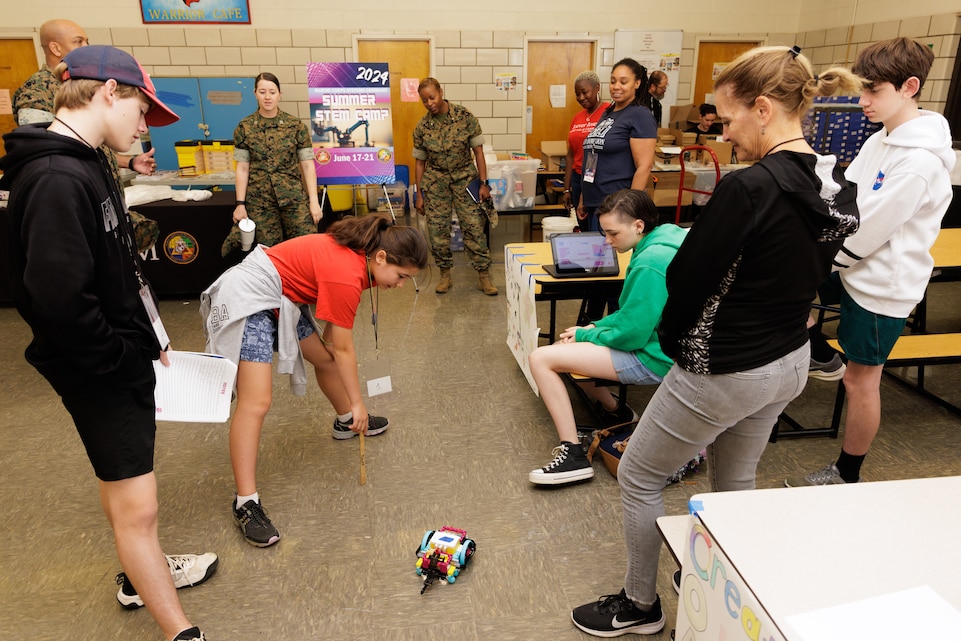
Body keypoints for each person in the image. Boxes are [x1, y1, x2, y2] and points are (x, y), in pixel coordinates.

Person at [569, 46, 861, 637]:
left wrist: (679, 347)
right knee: (735, 477)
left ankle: (640, 604)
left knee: (640, 476)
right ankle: (722, 582)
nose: (725, 135)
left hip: (724, 366)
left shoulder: (749, 187)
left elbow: (688, 278)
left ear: (761, 108)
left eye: (728, 121)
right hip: (789, 359)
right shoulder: (835, 183)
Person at [0, 45, 216, 641]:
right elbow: (58, 303)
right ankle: (178, 630)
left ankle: (136, 573)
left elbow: (116, 261)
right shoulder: (53, 178)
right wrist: (122, 360)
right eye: (142, 111)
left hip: (122, 352)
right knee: (136, 505)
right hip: (100, 368)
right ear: (108, 93)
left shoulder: (89, 161)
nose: (144, 127)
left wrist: (153, 334)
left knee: (129, 493)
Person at [787, 38, 955, 488]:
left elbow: (867, 231)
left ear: (909, 87)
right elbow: (848, 197)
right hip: (855, 268)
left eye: (873, 91)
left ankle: (847, 472)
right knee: (788, 288)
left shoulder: (919, 162)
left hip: (884, 286)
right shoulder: (883, 138)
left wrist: (816, 261)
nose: (862, 102)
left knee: (861, 382)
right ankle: (823, 355)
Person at [201, 215, 428, 547]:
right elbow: (345, 347)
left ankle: (345, 422)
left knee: (324, 358)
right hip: (250, 297)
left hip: (283, 296)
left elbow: (335, 336)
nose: (400, 285)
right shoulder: (348, 274)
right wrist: (359, 402)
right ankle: (246, 503)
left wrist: (351, 398)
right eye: (401, 276)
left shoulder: (364, 262)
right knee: (256, 401)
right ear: (381, 257)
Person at [527, 189, 686, 486]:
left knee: (541, 358)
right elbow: (633, 315)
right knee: (573, 345)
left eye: (613, 233)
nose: (608, 241)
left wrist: (590, 333)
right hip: (674, 347)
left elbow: (632, 335)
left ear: (638, 225)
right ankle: (617, 411)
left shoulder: (651, 261)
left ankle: (573, 455)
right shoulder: (670, 236)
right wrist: (592, 330)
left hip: (656, 356)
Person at [13, 18, 160, 253]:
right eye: (78, 41)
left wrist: (129, 162)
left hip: (99, 190)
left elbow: (92, 146)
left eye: (87, 40)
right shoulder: (39, 89)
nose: (85, 46)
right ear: (55, 47)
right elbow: (46, 147)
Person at [412, 77, 497, 296]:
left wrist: (484, 184)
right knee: (437, 231)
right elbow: (420, 163)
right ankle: (445, 275)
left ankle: (484, 277)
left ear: (441, 91)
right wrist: (419, 194)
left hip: (465, 178)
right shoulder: (422, 127)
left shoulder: (464, 116)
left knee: (474, 227)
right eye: (424, 100)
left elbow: (478, 153)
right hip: (436, 182)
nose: (429, 103)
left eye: (432, 97)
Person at [222, 72, 322, 257]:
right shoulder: (245, 127)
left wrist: (313, 202)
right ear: (255, 93)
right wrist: (240, 204)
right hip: (260, 202)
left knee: (306, 246)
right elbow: (242, 168)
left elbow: (308, 166)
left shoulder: (296, 126)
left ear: (279, 94)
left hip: (293, 198)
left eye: (272, 92)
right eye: (262, 92)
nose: (267, 97)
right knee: (268, 253)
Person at [562, 71, 610, 232]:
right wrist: (567, 188)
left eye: (585, 92)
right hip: (577, 177)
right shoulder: (577, 117)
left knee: (597, 227)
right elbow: (571, 154)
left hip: (598, 178)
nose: (581, 97)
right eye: (577, 94)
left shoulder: (609, 112)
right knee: (583, 224)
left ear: (597, 88)